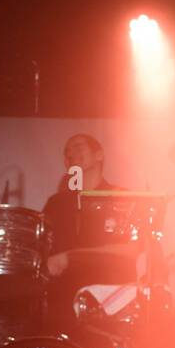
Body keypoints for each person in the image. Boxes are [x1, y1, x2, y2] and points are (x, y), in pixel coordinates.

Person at [42, 133, 139, 332]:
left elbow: (131, 250)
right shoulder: (55, 203)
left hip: (107, 306)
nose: (71, 153)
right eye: (67, 151)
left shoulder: (120, 198)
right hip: (61, 305)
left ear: (99, 155)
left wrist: (72, 258)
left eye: (78, 146)